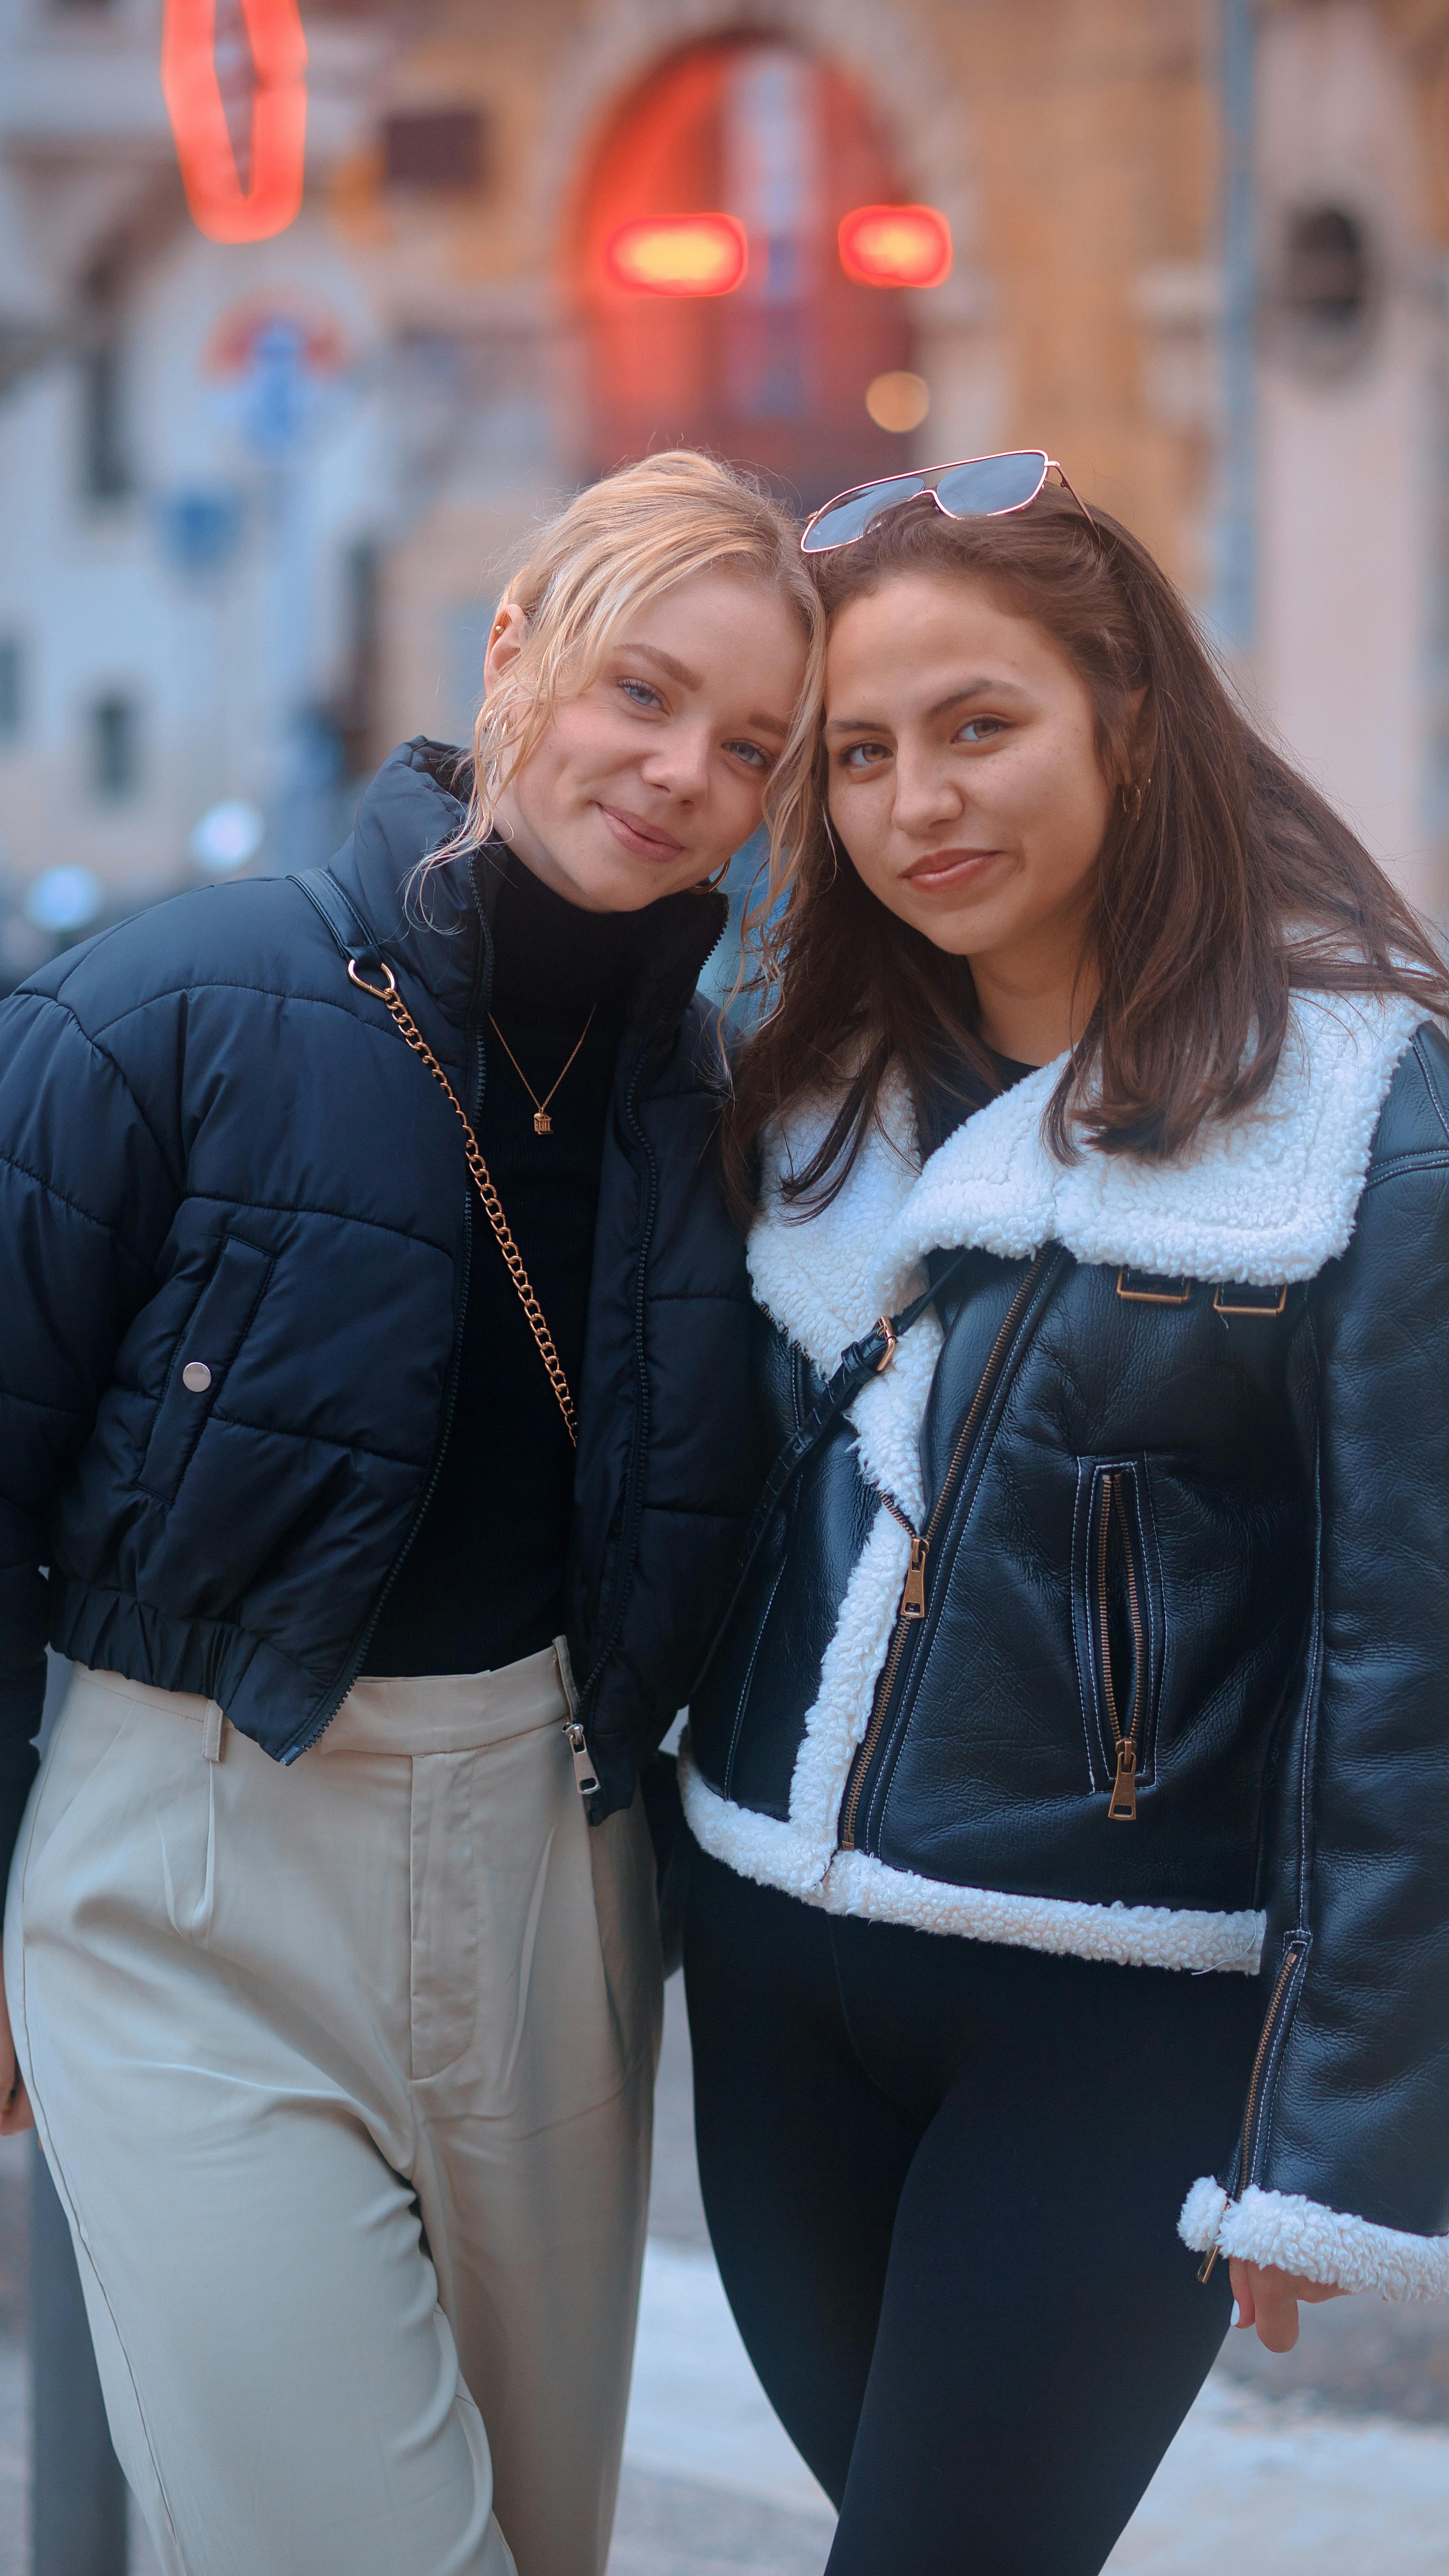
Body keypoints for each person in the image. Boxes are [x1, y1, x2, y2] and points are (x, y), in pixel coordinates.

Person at [0, 448, 817, 2576]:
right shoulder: (174, 1002)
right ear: (515, 650)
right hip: (186, 1872)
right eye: (643, 691)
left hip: (555, 1874)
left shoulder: (715, 1105)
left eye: (748, 747)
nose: (679, 776)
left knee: (535, 2544)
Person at [680, 452, 1449, 2576]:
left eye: (978, 725)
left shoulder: (1361, 1119)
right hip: (762, 1974)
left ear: (1124, 721)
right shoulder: (792, 1093)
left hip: (1116, 2010)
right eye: (856, 754)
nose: (917, 798)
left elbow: (1407, 1670)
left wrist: (1334, 2133)